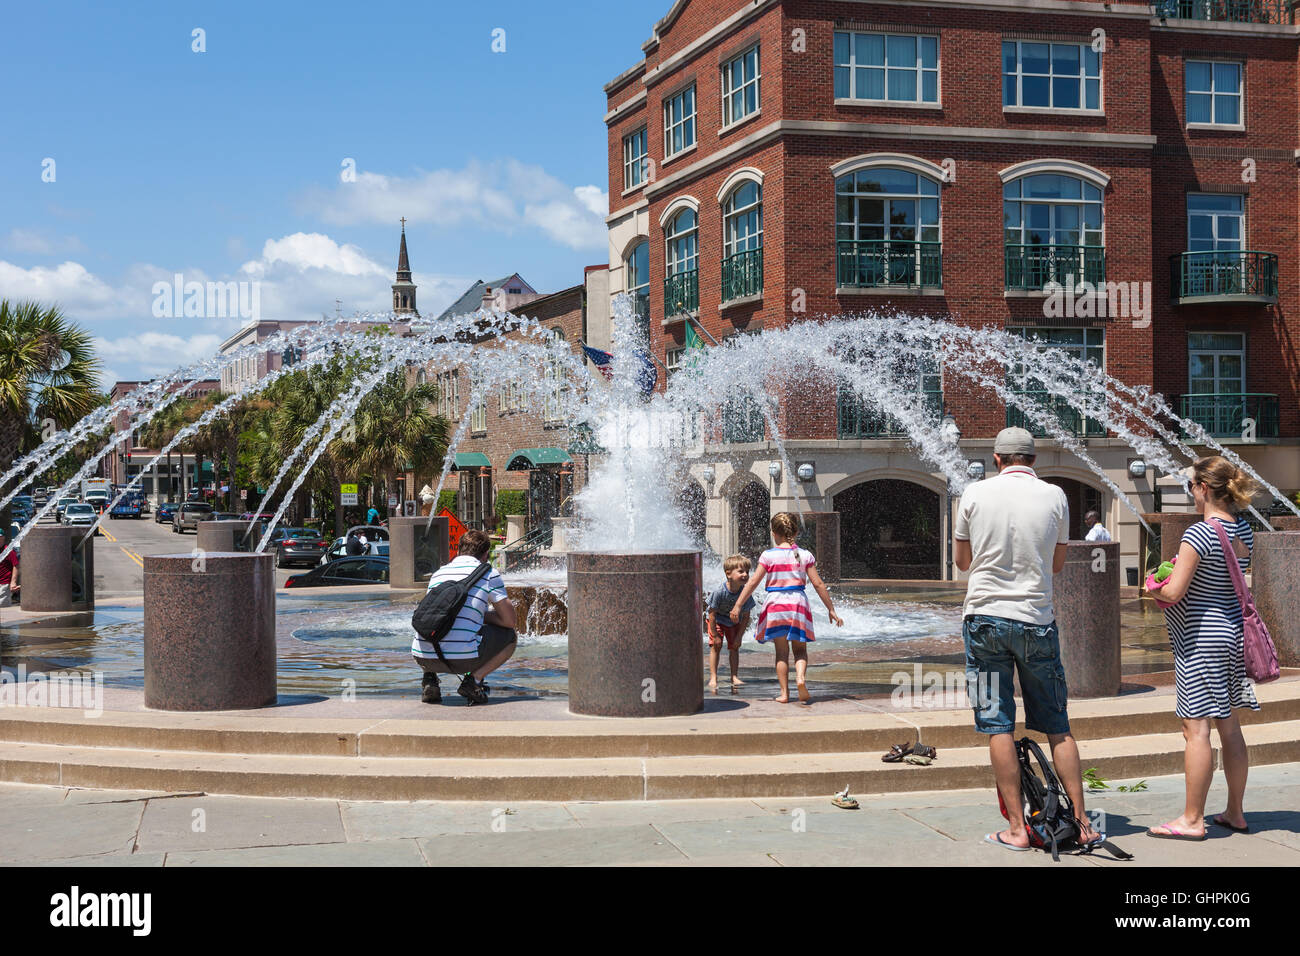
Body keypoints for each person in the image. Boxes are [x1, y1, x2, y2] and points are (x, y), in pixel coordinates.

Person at [953, 427, 1101, 851]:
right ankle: (1083, 823)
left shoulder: (974, 494)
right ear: (1033, 460)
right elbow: (1056, 564)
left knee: (997, 725)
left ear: (997, 458)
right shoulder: (1056, 497)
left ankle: (1018, 828)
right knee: (1057, 725)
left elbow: (963, 563)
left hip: (983, 621)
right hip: (1037, 621)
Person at [1143, 456, 1259, 840]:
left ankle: (1192, 820)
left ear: (1204, 489)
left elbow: (1174, 591)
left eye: (1191, 486)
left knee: (1196, 730)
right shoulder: (1244, 531)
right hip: (1234, 637)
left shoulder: (1199, 535)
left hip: (1202, 641)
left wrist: (1152, 585)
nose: (1190, 493)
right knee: (1230, 727)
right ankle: (1236, 812)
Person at [730, 512, 843, 704]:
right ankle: (800, 679)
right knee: (800, 650)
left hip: (775, 604)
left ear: (774, 533)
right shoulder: (805, 555)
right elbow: (818, 584)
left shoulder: (768, 556)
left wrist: (738, 605)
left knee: (781, 653)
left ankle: (784, 693)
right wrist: (831, 609)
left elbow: (752, 583)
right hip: (798, 604)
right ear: (796, 531)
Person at [411, 528, 517, 705]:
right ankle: (473, 681)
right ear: (485, 555)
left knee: (432, 624)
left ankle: (430, 680)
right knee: (510, 636)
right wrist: (481, 616)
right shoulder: (489, 574)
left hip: (422, 657)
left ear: (458, 550)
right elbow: (510, 620)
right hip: (463, 660)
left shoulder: (438, 573)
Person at [706, 554, 756, 691]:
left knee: (734, 647)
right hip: (716, 620)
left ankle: (734, 676)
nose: (745, 574)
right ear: (728, 574)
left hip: (733, 622)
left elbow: (746, 616)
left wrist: (739, 636)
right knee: (716, 646)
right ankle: (713, 677)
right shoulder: (720, 592)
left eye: (747, 571)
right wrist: (715, 635)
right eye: (741, 571)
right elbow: (711, 613)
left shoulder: (745, 593)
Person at [0, 533, 18, 607]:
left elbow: (16, 565)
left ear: (3, 538)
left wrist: (13, 582)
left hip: (4, 584)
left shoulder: (8, 550)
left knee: (2, 607)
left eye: (0, 538)